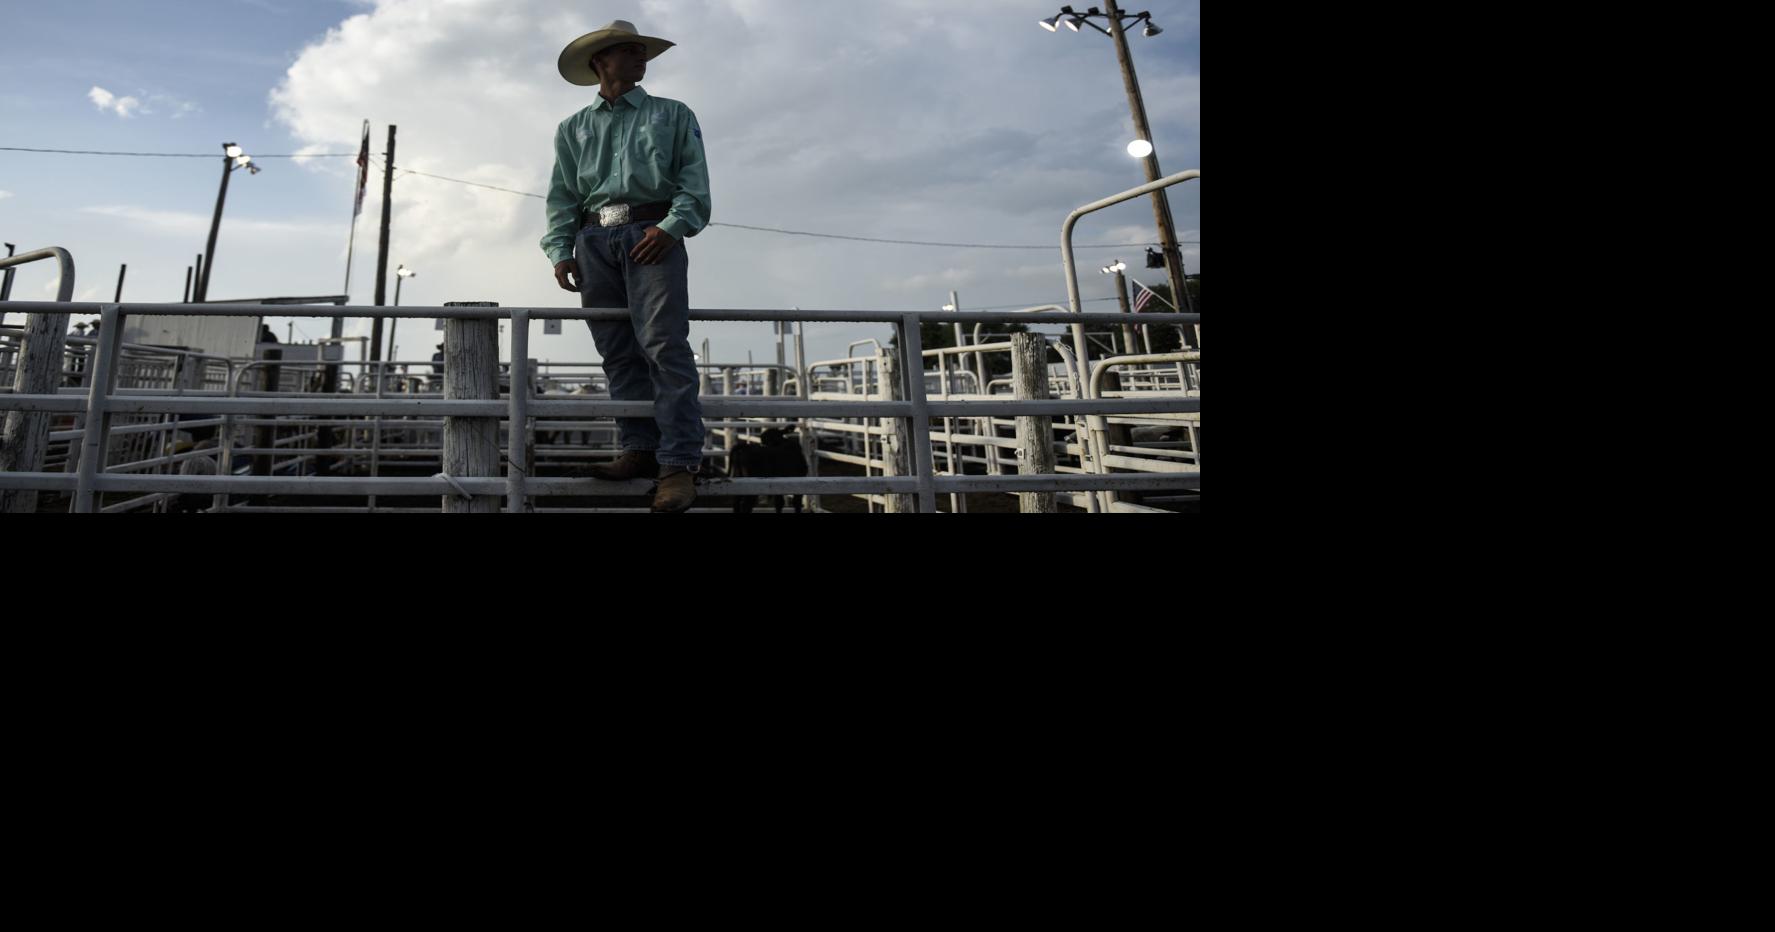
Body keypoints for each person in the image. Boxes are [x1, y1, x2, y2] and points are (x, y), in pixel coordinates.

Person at [541, 19, 712, 513]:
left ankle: (678, 465)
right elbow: (563, 195)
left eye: (643, 53)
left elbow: (693, 182)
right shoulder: (573, 127)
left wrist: (672, 228)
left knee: (663, 345)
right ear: (601, 62)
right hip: (593, 239)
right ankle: (638, 449)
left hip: (652, 233)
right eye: (630, 52)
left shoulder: (673, 113)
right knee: (616, 350)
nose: (642, 60)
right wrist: (560, 249)